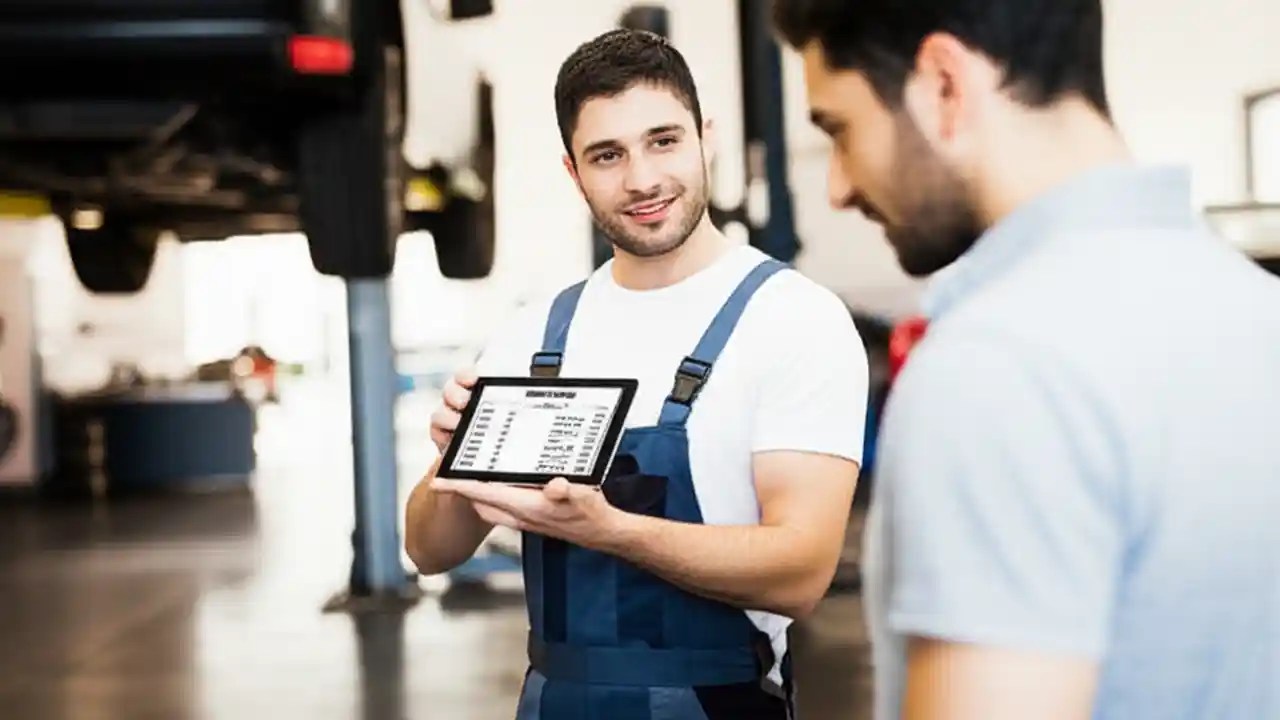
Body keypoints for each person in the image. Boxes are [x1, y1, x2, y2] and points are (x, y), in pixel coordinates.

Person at [773, 1, 1280, 718]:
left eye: (841, 131)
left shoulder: (992, 372)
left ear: (944, 84)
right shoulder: (1260, 312)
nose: (841, 186)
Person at [404, 28, 869, 719]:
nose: (642, 179)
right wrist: (453, 470)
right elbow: (429, 551)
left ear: (704, 136)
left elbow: (800, 572)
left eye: (663, 140)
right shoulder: (533, 336)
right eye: (607, 155)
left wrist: (610, 529)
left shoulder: (794, 320)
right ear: (574, 172)